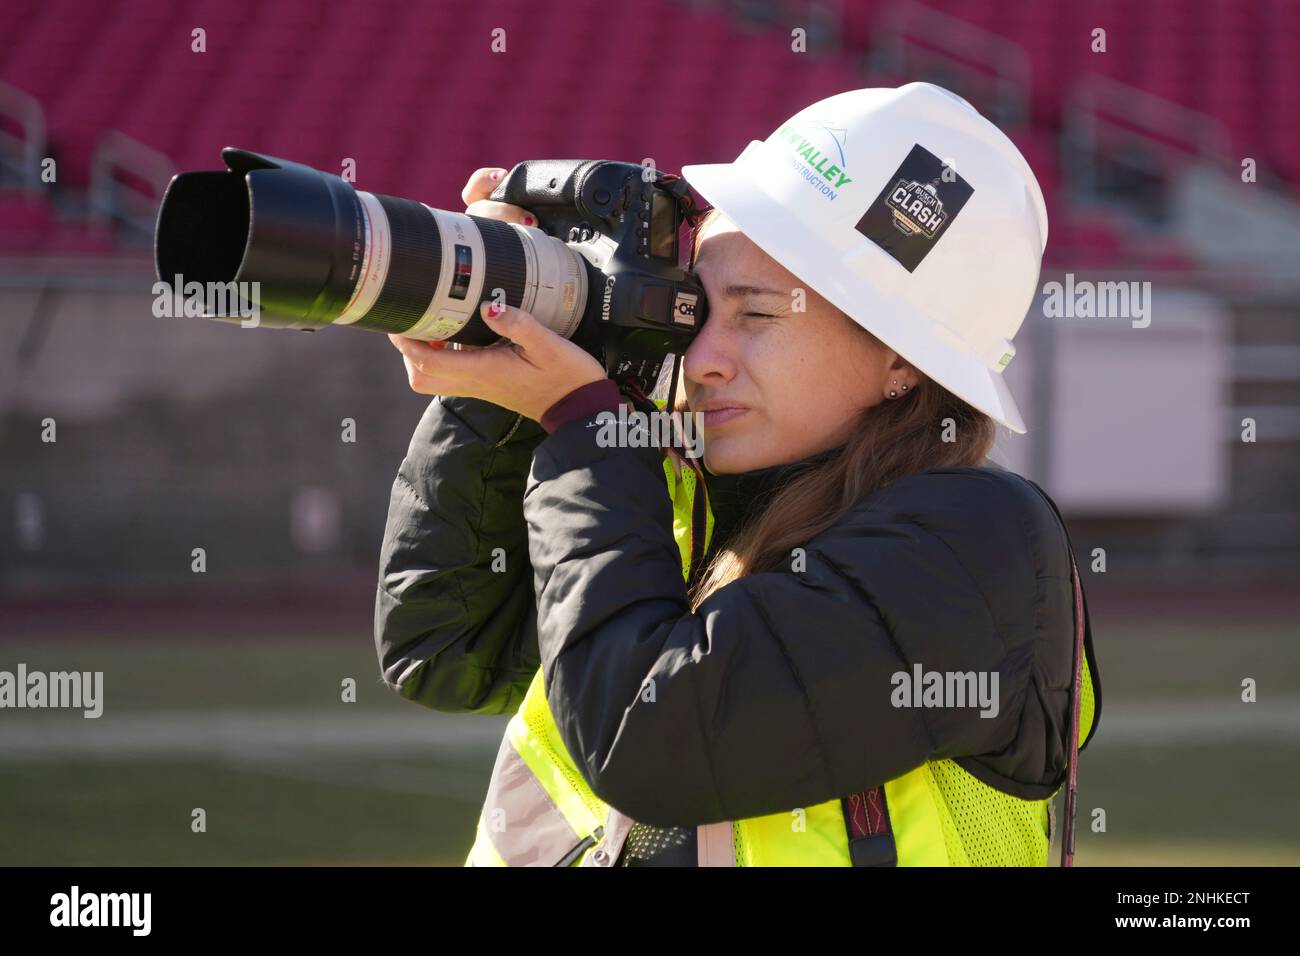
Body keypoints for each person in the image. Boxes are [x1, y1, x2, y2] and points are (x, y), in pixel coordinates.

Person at [374, 82, 1102, 866]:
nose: (703, 359)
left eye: (756, 316)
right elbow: (447, 647)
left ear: (902, 360)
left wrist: (583, 426)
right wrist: (508, 360)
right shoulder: (680, 500)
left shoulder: (974, 545)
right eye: (697, 309)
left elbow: (651, 737)